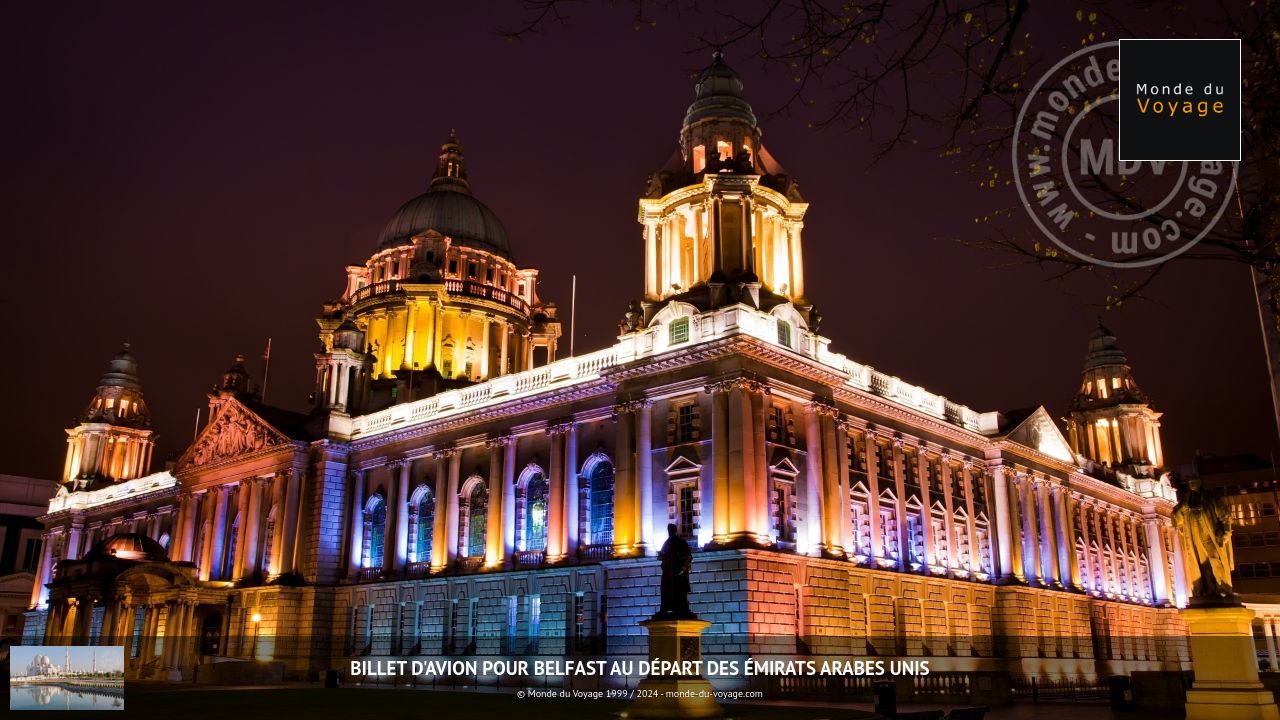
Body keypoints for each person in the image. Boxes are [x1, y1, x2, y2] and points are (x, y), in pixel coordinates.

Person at [656, 523, 695, 619]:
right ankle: (666, 608)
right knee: (667, 591)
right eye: (668, 530)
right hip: (668, 574)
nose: (669, 532)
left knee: (679, 591)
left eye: (670, 530)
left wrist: (683, 568)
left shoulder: (681, 542)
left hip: (678, 573)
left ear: (674, 531)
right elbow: (661, 556)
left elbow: (688, 556)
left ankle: (681, 608)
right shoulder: (667, 543)